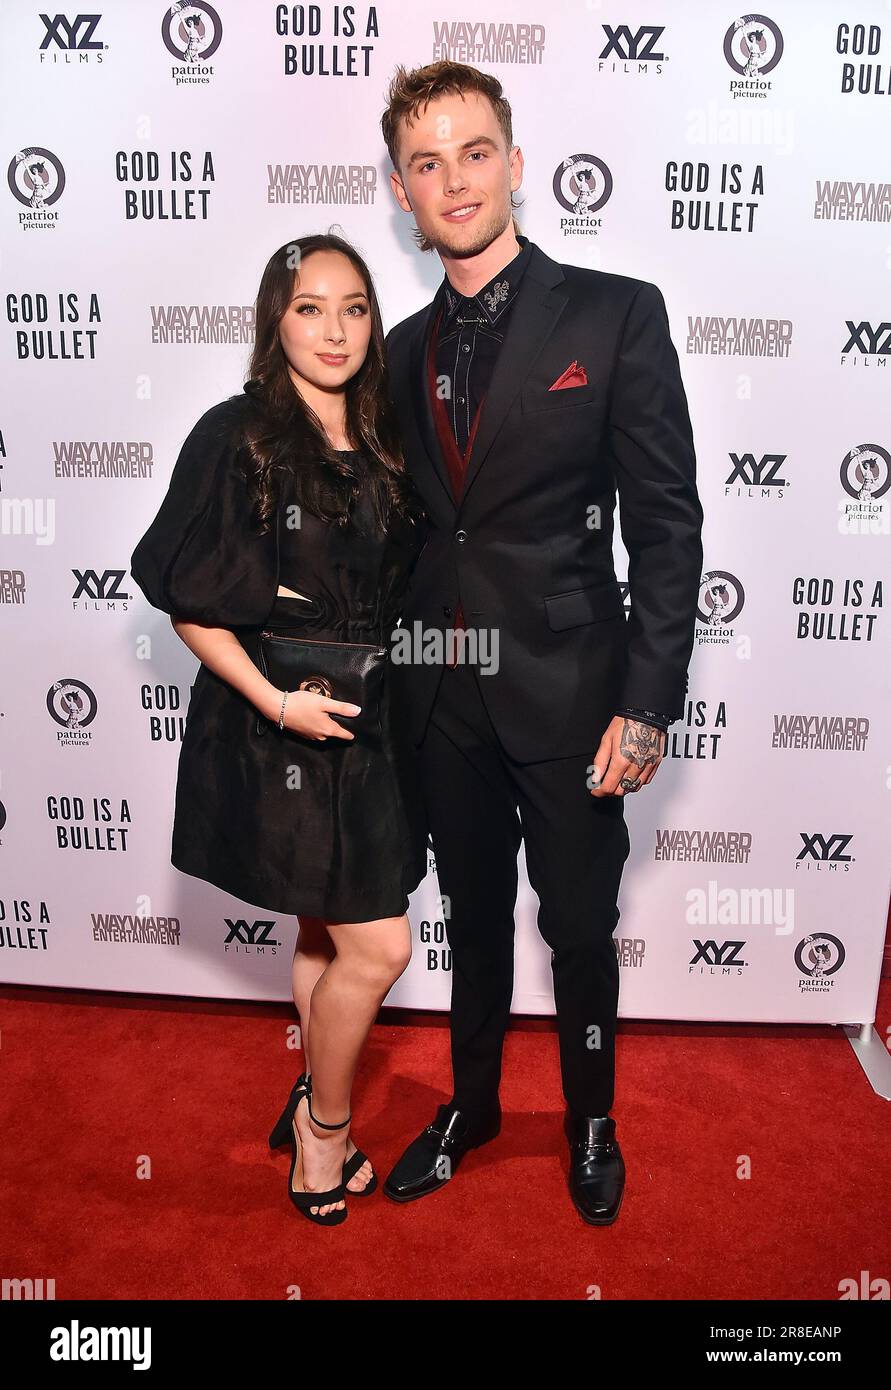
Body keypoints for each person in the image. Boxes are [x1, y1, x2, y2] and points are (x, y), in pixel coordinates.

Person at [378, 61, 704, 1224]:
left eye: (475, 152)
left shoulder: (616, 313)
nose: (454, 179)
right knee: (468, 916)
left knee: (576, 925)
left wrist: (651, 701)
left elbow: (667, 525)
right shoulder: (397, 351)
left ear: (515, 165)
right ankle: (471, 1106)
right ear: (404, 196)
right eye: (427, 162)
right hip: (442, 698)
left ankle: (593, 1119)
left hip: (575, 693)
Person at [129, 233, 430, 1226]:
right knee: (378, 947)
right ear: (276, 318)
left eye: (354, 307)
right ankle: (326, 1134)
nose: (335, 329)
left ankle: (308, 1094)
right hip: (281, 727)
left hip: (370, 720)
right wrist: (277, 698)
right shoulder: (240, 436)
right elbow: (190, 604)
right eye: (310, 307)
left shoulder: (385, 432)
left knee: (322, 926)